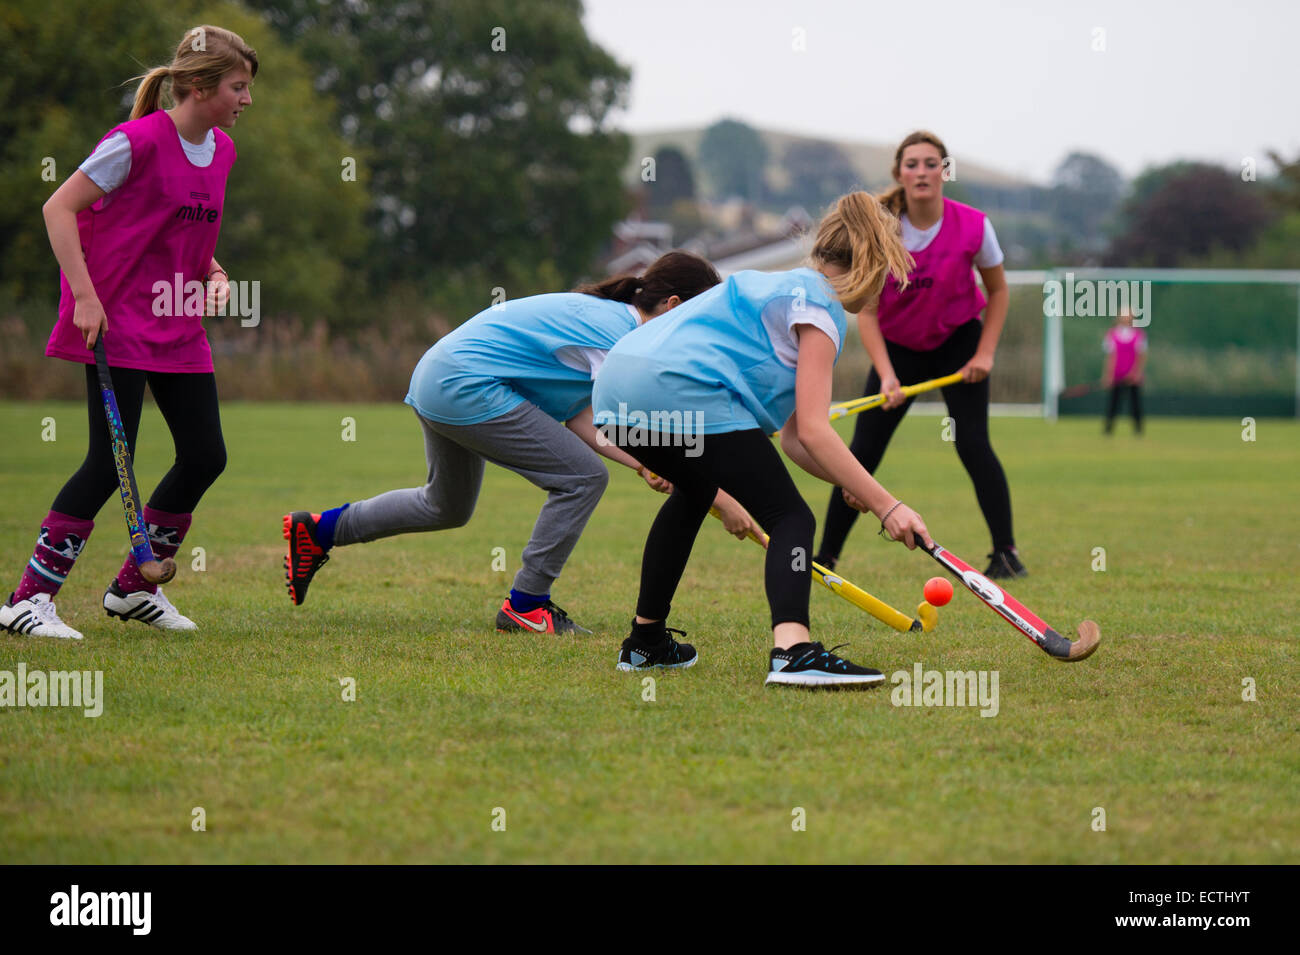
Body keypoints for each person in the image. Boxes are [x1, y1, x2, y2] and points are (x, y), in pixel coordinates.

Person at [284, 252, 758, 634]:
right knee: (582, 478)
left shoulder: (613, 323)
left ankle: (320, 531)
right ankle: (527, 605)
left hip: (439, 377)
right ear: (673, 306)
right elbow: (617, 421)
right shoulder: (620, 337)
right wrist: (716, 496)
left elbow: (583, 417)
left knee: (446, 506)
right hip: (465, 385)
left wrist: (642, 464)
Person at [592, 192, 933, 687]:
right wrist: (889, 507)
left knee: (695, 491)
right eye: (887, 276)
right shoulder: (821, 308)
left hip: (616, 397)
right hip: (682, 392)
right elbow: (814, 431)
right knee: (790, 516)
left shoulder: (776, 290)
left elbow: (794, 437)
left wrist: (849, 483)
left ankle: (645, 643)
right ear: (871, 265)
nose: (883, 293)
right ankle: (793, 652)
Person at [1, 26, 257, 640]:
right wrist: (85, 297)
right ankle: (27, 601)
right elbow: (58, 208)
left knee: (205, 456)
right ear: (200, 87)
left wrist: (215, 271)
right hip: (116, 321)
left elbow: (181, 231)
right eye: (238, 87)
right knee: (108, 464)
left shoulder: (223, 151)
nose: (247, 99)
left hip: (178, 323)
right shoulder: (133, 143)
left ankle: (134, 589)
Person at [813, 131, 1026, 580]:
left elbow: (998, 291)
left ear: (945, 172)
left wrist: (985, 354)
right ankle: (824, 560)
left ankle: (1005, 554)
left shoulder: (975, 225)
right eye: (912, 164)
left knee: (973, 444)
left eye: (932, 163)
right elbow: (867, 312)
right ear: (899, 173)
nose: (922, 172)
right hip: (898, 350)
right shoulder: (881, 226)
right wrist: (887, 375)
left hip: (959, 344)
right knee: (862, 452)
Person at [1102, 309, 1146, 435]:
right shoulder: (1112, 335)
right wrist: (1108, 375)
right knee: (1113, 403)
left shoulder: (1139, 335)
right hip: (1117, 376)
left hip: (1133, 378)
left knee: (1135, 404)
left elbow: (1141, 356)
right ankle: (1108, 429)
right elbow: (1111, 357)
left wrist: (1136, 373)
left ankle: (1138, 430)